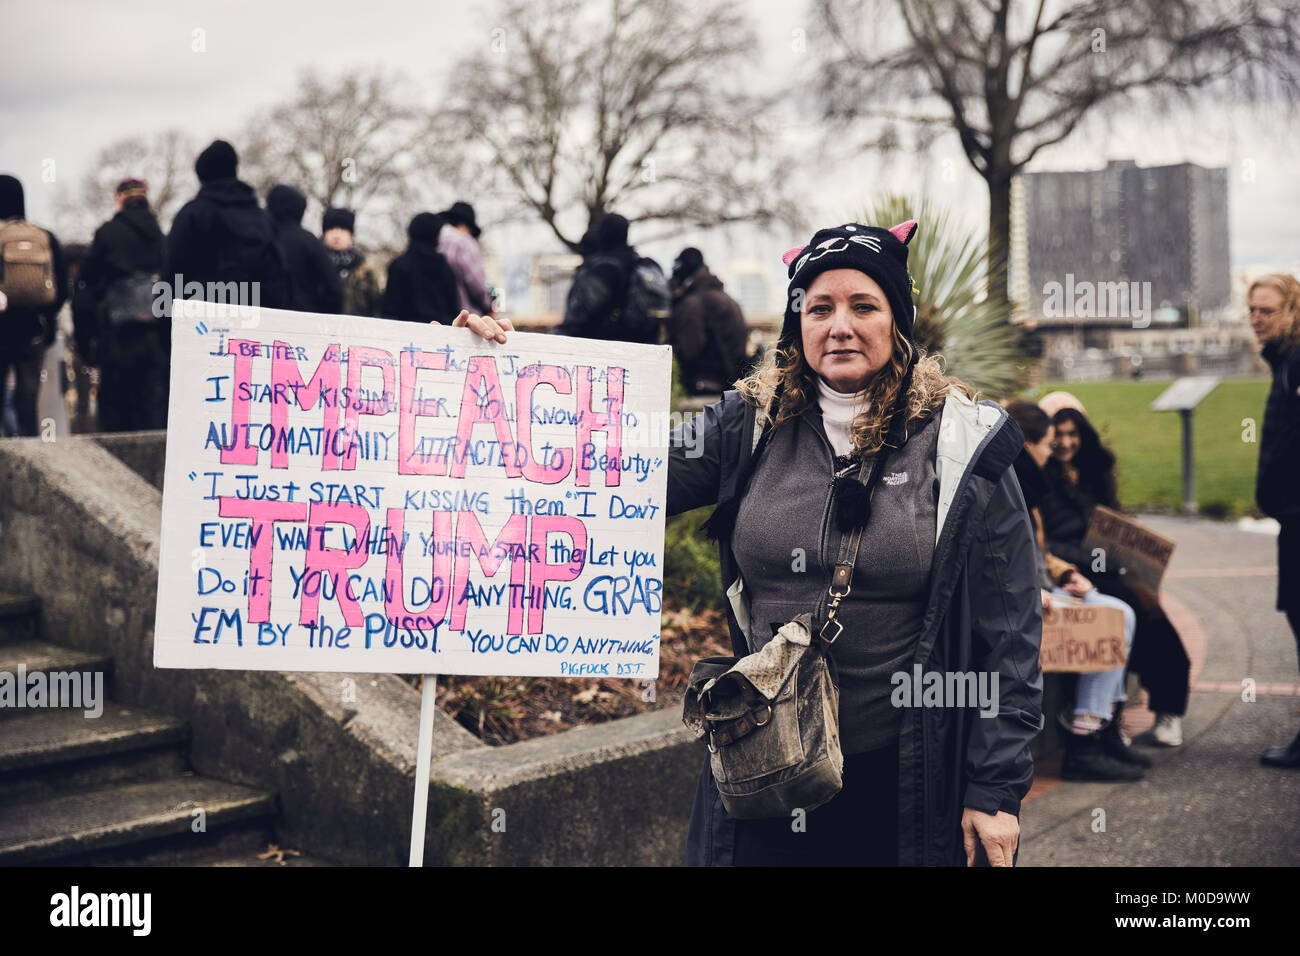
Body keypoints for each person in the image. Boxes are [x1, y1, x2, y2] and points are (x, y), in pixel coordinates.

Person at [453, 219, 1045, 866]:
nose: (839, 325)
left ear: (897, 321)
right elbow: (610, 464)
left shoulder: (964, 443)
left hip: (907, 785)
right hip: (764, 767)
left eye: (863, 305)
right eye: (819, 307)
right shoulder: (748, 423)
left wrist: (995, 788)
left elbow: (1011, 633)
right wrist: (484, 370)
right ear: (797, 325)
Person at [1005, 401, 1147, 781]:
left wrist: (1066, 573)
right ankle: (1084, 740)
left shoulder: (1026, 485)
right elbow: (994, 555)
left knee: (1123, 613)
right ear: (1028, 444)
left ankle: (1100, 727)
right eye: (1048, 443)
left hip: (1049, 586)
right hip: (1028, 597)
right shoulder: (1009, 486)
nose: (1053, 451)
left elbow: (1040, 551)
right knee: (1115, 617)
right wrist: (1030, 590)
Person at [1038, 404, 1191, 747]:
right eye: (1058, 435)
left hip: (1108, 569)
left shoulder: (1094, 472)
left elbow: (1114, 521)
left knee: (1155, 617)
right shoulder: (1041, 476)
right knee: (1126, 614)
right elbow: (1048, 543)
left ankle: (1168, 710)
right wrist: (1093, 561)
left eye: (1072, 434)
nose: (1065, 442)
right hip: (1074, 572)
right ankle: (1107, 720)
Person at [1247, 273, 1300, 768]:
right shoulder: (1285, 363)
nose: (1258, 320)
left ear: (1292, 310)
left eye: (1268, 310)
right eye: (1253, 311)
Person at [78, 177, 169, 431]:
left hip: (118, 334)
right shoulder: (161, 237)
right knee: (150, 407)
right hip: (155, 333)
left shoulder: (107, 233)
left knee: (115, 411)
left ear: (120, 199)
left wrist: (87, 341)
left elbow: (86, 286)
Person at [163, 139, 290, 312]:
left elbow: (173, 275)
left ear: (201, 174)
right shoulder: (262, 218)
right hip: (256, 321)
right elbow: (279, 274)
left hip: (203, 320)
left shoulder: (192, 215)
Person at [0, 173, 67, 437]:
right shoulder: (44, 235)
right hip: (34, 330)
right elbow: (61, 289)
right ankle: (31, 459)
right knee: (28, 402)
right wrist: (45, 315)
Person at [668, 247, 750, 395]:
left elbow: (688, 350)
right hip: (731, 382)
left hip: (708, 385)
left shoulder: (694, 303)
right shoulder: (724, 298)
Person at [554, 213, 644, 341]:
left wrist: (560, 337)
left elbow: (582, 312)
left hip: (607, 345)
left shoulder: (604, 269)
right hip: (642, 343)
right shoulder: (639, 262)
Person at [265, 184, 342, 315]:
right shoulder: (309, 242)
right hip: (304, 318)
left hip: (263, 317)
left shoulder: (261, 239)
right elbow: (334, 289)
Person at [382, 213, 461, 325]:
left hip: (405, 334)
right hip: (440, 334)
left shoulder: (399, 265)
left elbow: (390, 309)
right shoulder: (445, 267)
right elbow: (453, 308)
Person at [321, 207, 382, 317]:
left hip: (356, 330)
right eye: (331, 229)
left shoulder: (364, 270)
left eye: (343, 229)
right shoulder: (315, 265)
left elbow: (376, 306)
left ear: (351, 235)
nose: (336, 235)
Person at [438, 201, 494, 317]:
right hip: (464, 315)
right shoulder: (465, 242)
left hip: (438, 313)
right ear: (465, 225)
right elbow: (475, 283)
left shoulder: (436, 240)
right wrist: (487, 304)